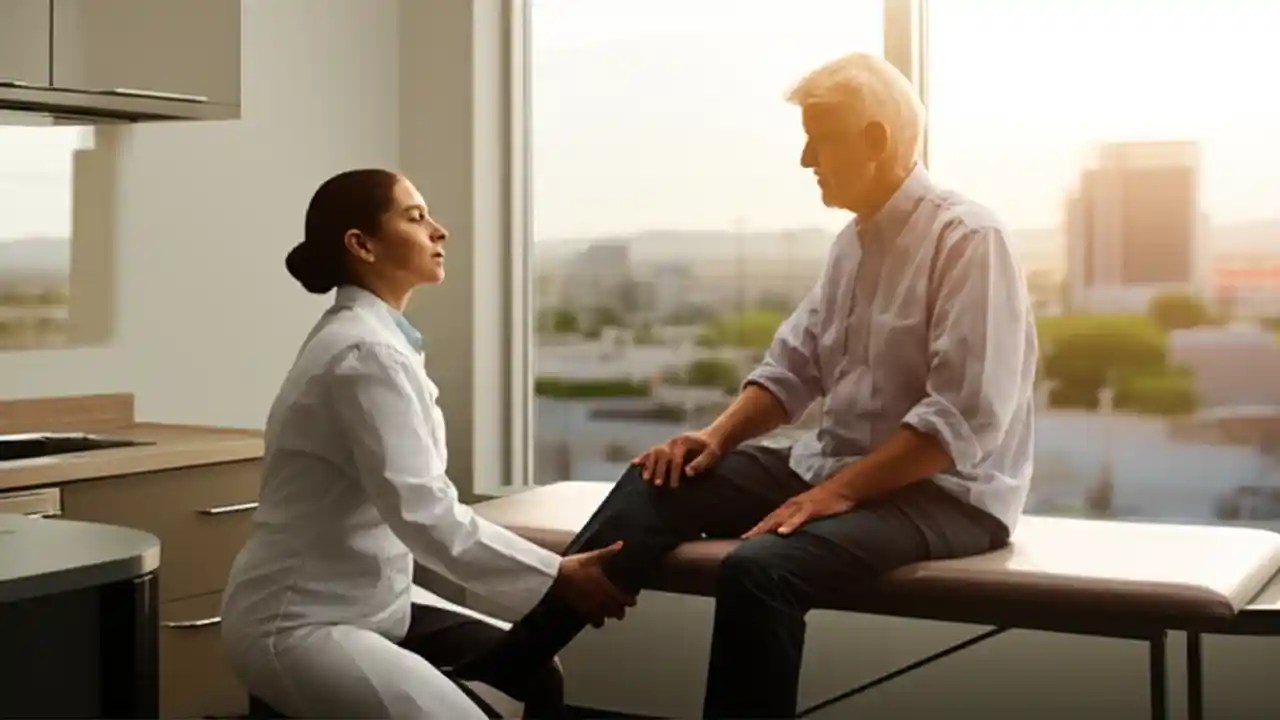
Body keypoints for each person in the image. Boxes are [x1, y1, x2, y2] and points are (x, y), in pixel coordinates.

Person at [453, 52, 1039, 718]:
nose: (805, 159)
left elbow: (961, 421)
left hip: (945, 495)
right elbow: (794, 368)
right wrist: (713, 438)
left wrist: (831, 495)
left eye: (820, 137)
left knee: (760, 571)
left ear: (875, 141)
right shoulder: (853, 245)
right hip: (840, 472)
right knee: (662, 479)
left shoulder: (968, 238)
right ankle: (509, 670)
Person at [219, 168, 635, 720]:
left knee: (534, 673)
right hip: (302, 620)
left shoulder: (377, 341)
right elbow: (424, 512)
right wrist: (556, 576)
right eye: (416, 218)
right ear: (361, 244)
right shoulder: (364, 356)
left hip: (371, 599)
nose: (439, 231)